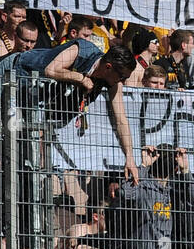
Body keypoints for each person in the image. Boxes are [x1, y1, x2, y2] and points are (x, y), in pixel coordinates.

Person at [10, 30, 141, 182]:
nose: (123, 81)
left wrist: (129, 158)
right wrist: (80, 78)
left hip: (35, 104)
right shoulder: (82, 50)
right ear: (108, 67)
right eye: (122, 76)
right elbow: (50, 70)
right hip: (17, 70)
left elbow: (121, 120)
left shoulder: (113, 82)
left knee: (24, 167)